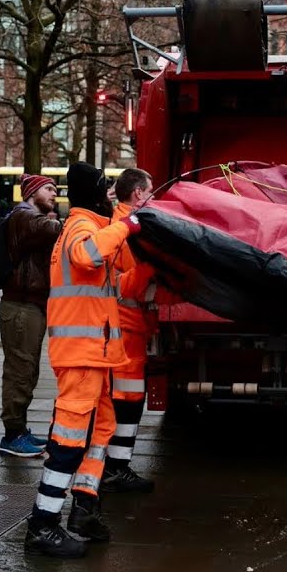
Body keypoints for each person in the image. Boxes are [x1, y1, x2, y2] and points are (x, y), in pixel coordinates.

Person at [25, 162, 142, 559]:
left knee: (100, 429)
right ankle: (43, 525)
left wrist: (131, 227)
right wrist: (126, 226)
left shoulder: (90, 224)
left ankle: (84, 509)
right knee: (69, 440)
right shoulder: (80, 228)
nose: (108, 193)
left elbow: (117, 272)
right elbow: (87, 256)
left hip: (97, 353)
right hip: (82, 354)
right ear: (93, 192)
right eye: (104, 188)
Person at [0, 174, 62, 458]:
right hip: (20, 306)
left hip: (29, 305)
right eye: (49, 189)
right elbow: (50, 229)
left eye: (56, 190)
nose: (54, 195)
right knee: (19, 371)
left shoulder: (30, 216)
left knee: (27, 370)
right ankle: (12, 435)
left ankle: (19, 430)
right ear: (32, 192)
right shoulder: (24, 215)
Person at [105, 167, 158, 493]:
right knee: (126, 399)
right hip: (125, 328)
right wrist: (153, 266)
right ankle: (116, 468)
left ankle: (115, 465)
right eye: (150, 191)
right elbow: (125, 284)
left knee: (125, 398)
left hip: (127, 326)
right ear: (138, 193)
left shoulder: (122, 225)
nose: (151, 197)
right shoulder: (128, 231)